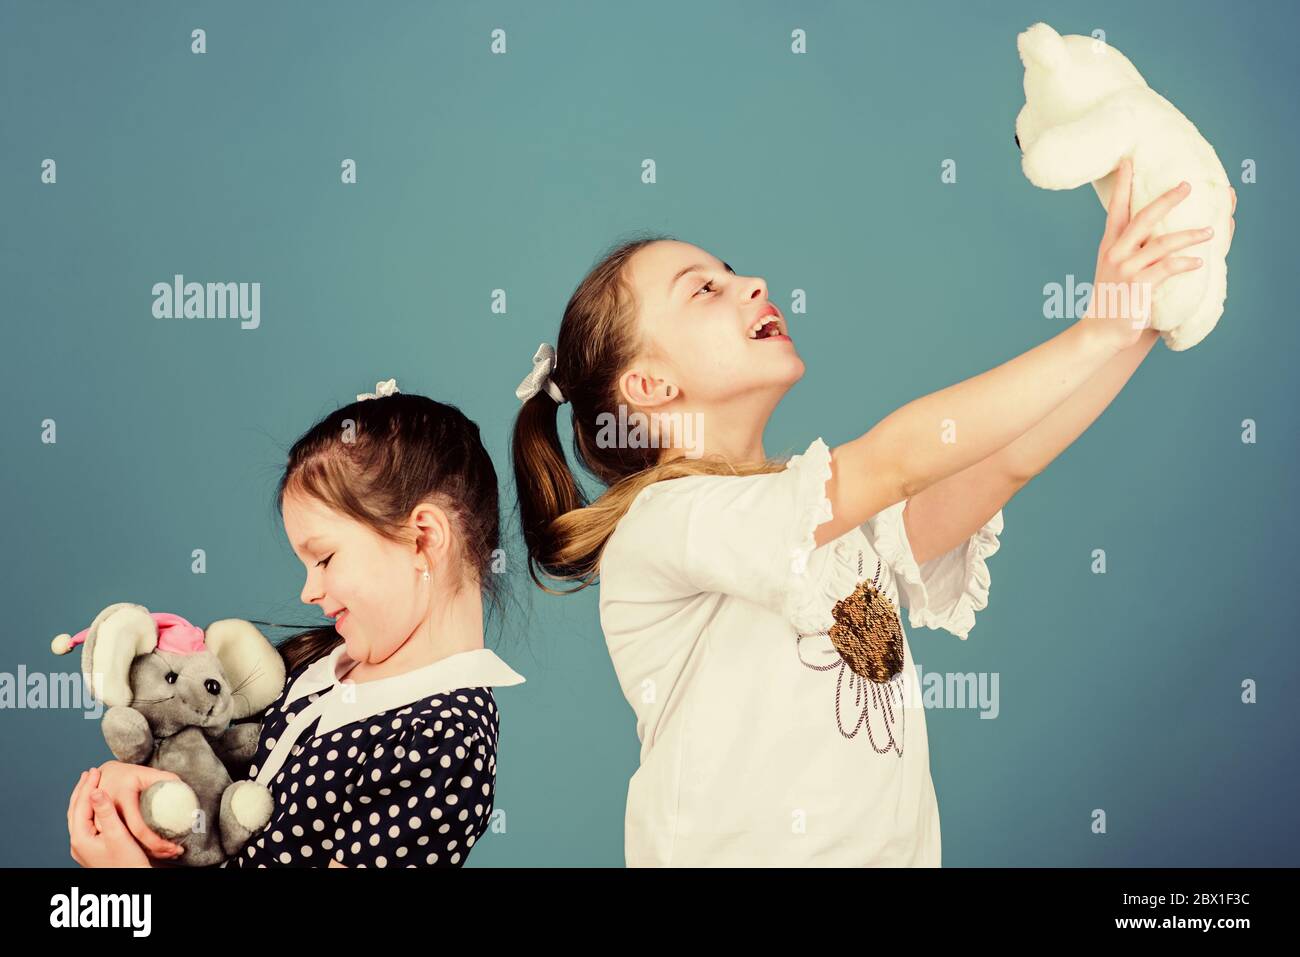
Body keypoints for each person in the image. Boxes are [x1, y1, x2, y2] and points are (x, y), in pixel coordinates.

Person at [509, 160, 1235, 865]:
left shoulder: (831, 525)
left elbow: (1008, 458)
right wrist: (1094, 333)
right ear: (650, 384)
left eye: (732, 272)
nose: (750, 283)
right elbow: (896, 460)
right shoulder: (663, 525)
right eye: (704, 289)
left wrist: (1142, 314)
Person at [68, 381, 524, 868]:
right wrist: (134, 788)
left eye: (324, 558)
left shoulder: (443, 741)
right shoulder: (323, 667)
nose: (308, 591)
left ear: (423, 538)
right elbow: (203, 763)